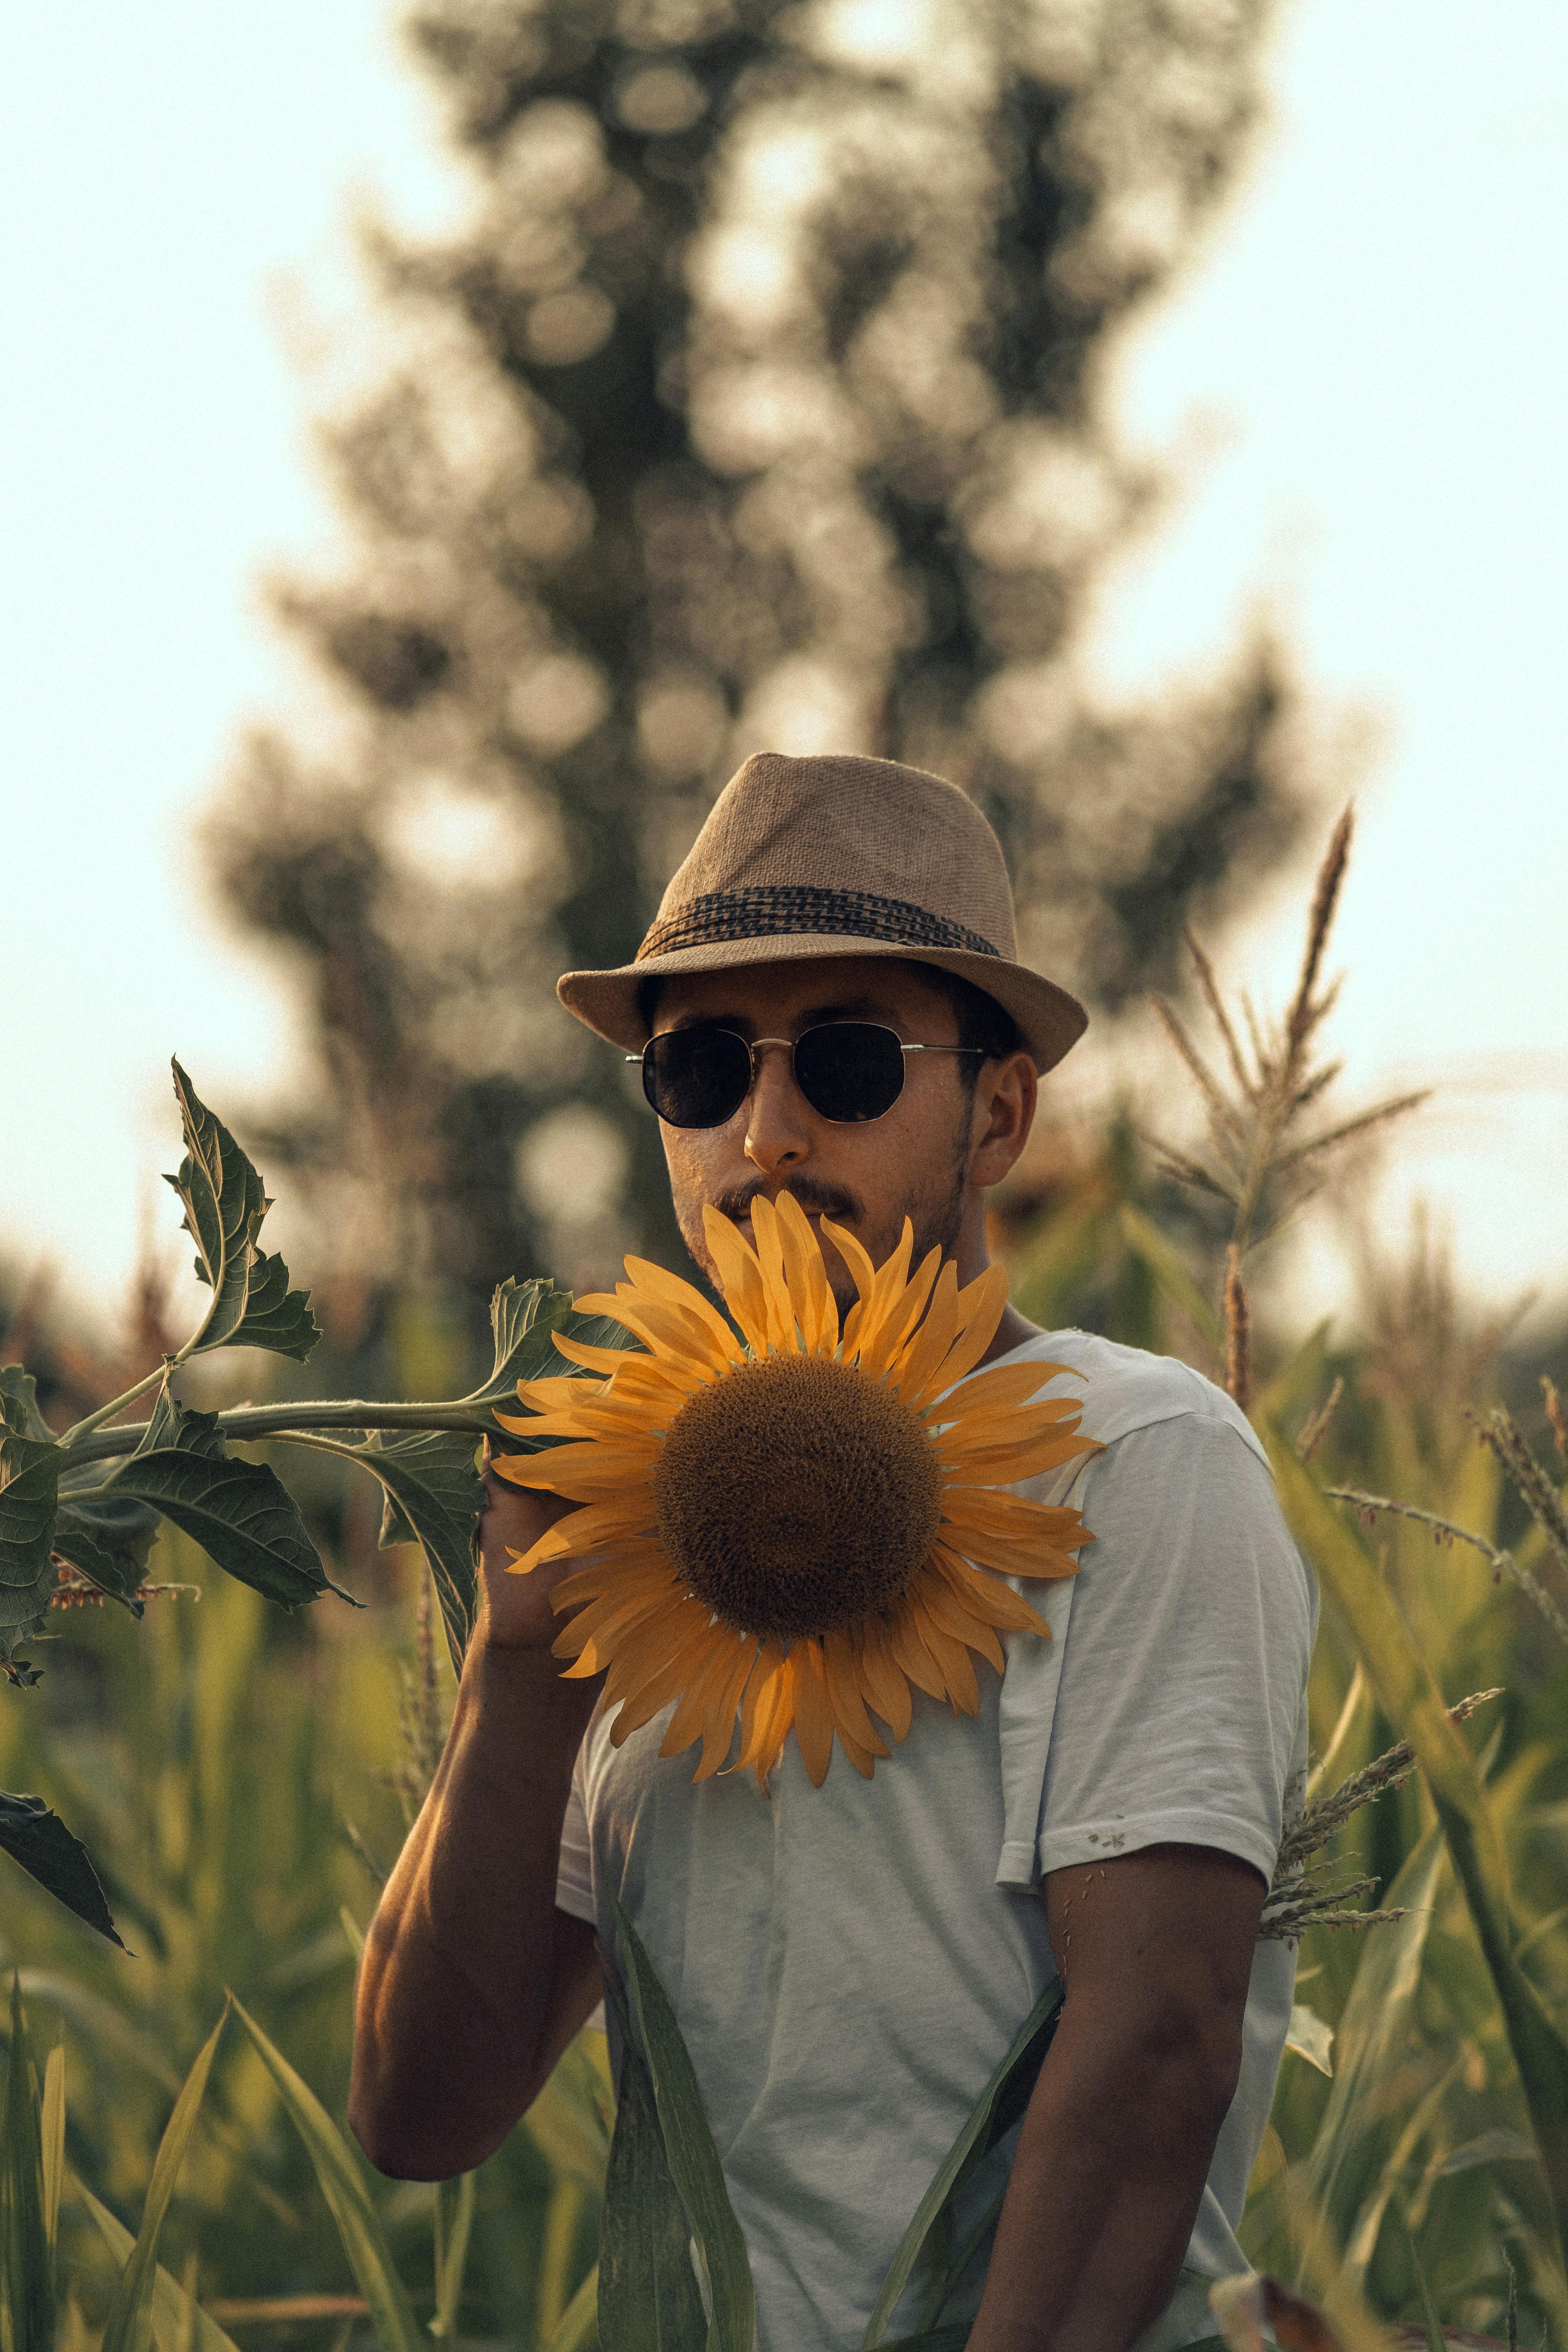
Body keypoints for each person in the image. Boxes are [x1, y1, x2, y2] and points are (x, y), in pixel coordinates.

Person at [349, 751, 1315, 2352]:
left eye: (851, 1063)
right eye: (701, 1069)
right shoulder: (633, 1511)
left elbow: (1152, 2049)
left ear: (996, 1113)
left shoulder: (1134, 1458)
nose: (768, 1133)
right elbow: (419, 2117)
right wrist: (515, 1669)